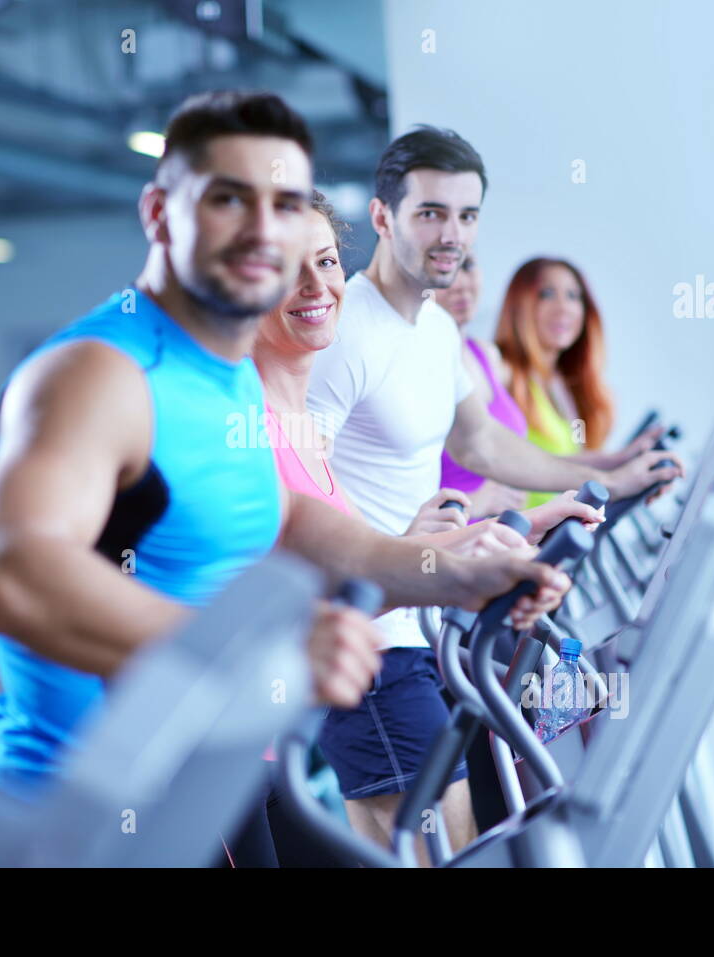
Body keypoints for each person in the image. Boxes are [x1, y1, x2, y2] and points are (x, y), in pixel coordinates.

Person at [0, 92, 573, 867]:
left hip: (216, 775)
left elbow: (289, 520)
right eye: (228, 199)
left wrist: (456, 572)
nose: (263, 230)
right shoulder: (103, 371)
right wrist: (256, 653)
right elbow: (10, 574)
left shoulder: (227, 375)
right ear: (158, 213)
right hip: (85, 810)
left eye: (285, 204)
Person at [303, 125, 684, 851]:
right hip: (370, 641)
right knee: (445, 842)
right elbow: (302, 483)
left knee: (443, 841)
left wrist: (606, 473)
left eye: (467, 215)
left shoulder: (432, 332)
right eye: (431, 213)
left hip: (418, 627)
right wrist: (405, 549)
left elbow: (484, 444)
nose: (452, 235)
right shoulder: (348, 332)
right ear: (383, 217)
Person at [254, 192, 605, 856]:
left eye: (326, 260)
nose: (317, 284)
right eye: (285, 267)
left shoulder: (299, 426)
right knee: (446, 839)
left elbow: (364, 563)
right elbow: (336, 583)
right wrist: (469, 567)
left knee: (434, 842)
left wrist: (513, 532)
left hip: (304, 716)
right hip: (260, 745)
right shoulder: (254, 430)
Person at [495, 257, 660, 506]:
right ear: (519, 304)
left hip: (548, 536)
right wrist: (613, 477)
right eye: (547, 294)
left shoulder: (562, 386)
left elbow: (567, 461)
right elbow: (511, 462)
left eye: (574, 296)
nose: (564, 307)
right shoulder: (503, 372)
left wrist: (622, 461)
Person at [436, 255, 531, 518]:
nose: (461, 284)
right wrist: (476, 501)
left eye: (466, 266)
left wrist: (609, 467)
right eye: (445, 273)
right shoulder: (416, 366)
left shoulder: (486, 354)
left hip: (500, 537)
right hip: (450, 545)